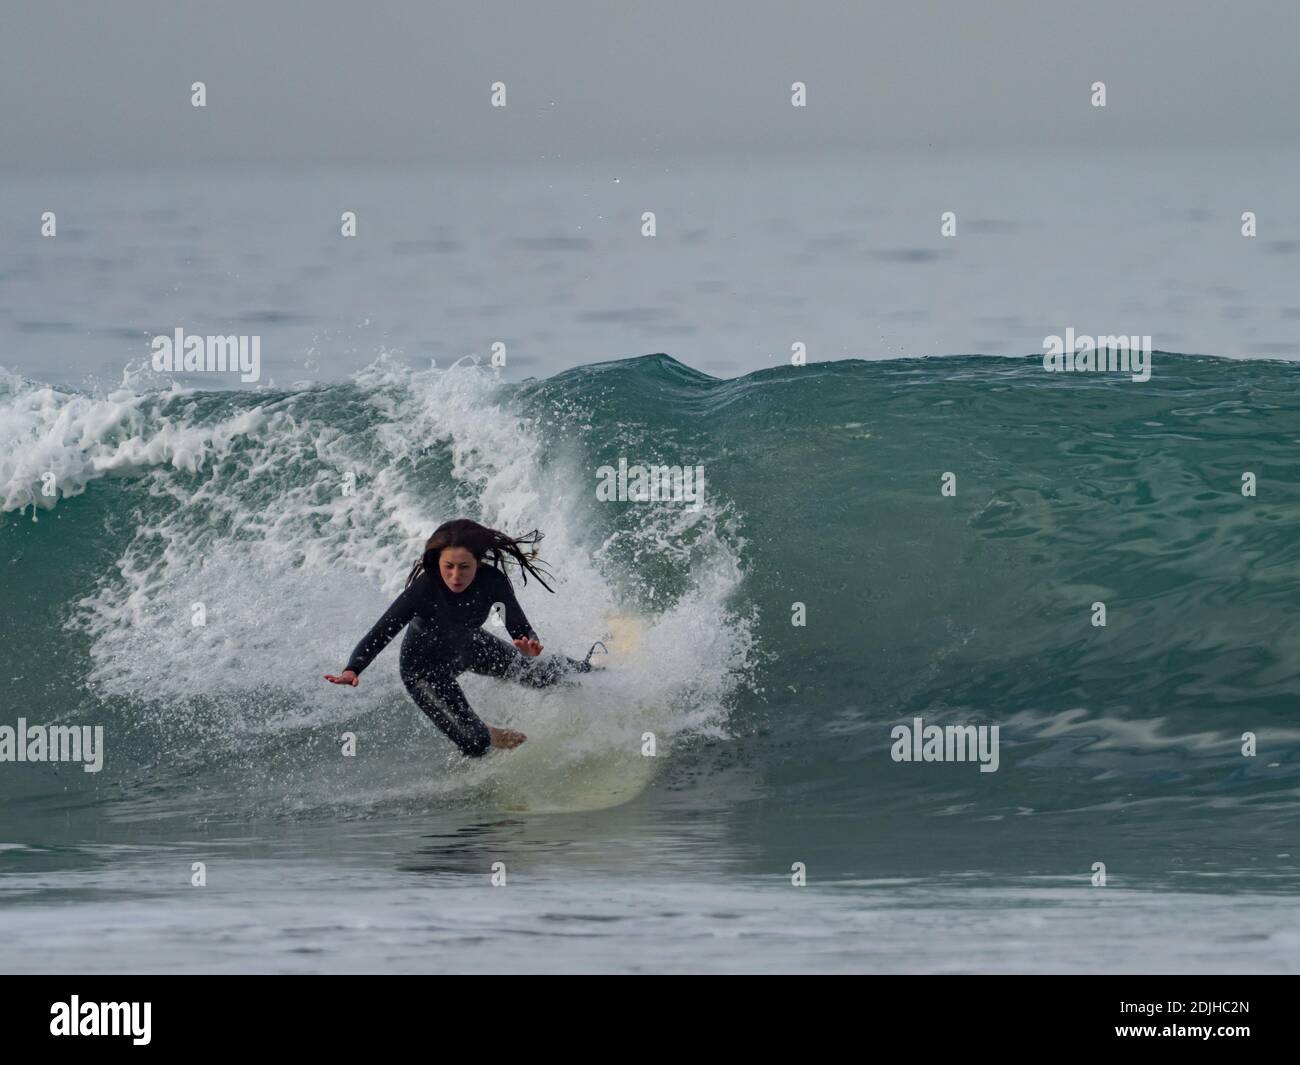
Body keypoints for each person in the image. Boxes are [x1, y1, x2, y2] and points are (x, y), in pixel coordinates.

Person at [324, 519, 589, 756]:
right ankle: (487, 731)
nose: (455, 575)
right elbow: (381, 632)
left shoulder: (491, 581)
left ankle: (593, 668)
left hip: (472, 647)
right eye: (448, 566)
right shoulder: (424, 590)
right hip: (425, 673)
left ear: (478, 562)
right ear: (437, 562)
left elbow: (518, 627)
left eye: (464, 567)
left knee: (545, 675)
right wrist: (352, 668)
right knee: (474, 743)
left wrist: (529, 644)